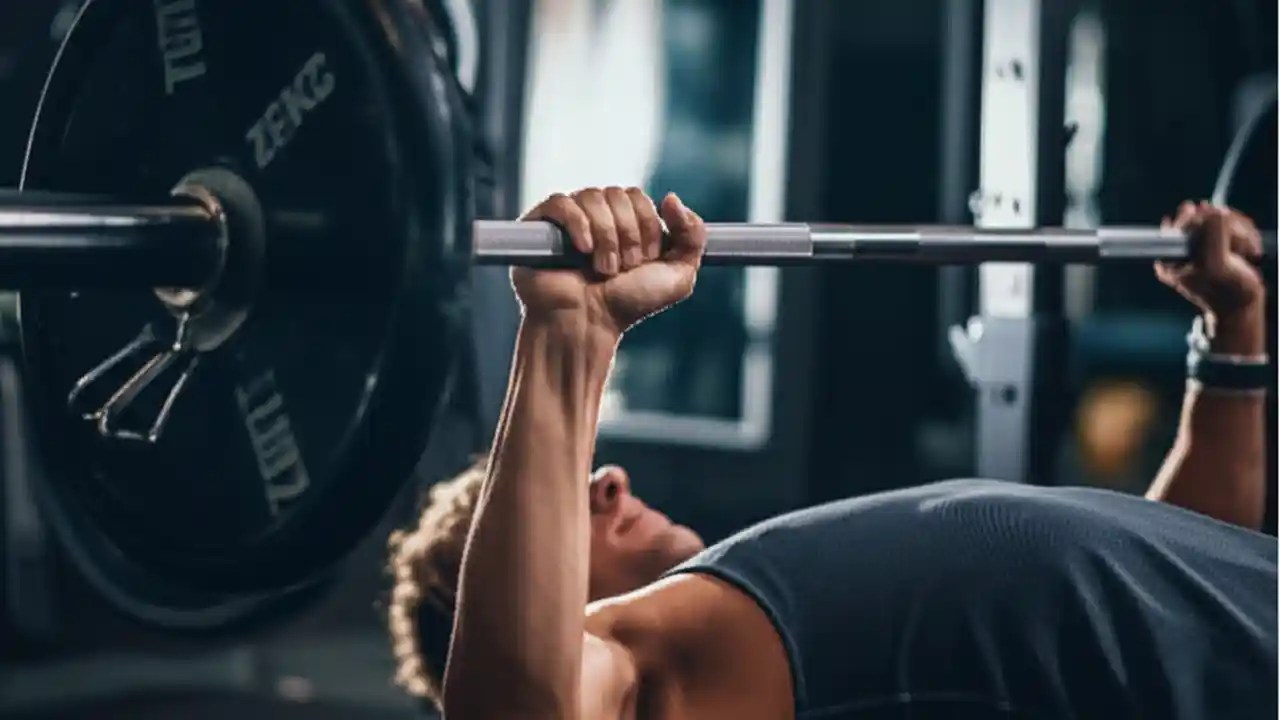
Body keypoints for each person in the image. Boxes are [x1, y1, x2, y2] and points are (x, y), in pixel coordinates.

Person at [387, 188, 1275, 718]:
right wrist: (569, 335)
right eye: (552, 501)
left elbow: (1186, 557)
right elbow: (516, 709)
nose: (603, 477)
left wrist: (1232, 335)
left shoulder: (743, 611)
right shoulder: (641, 672)